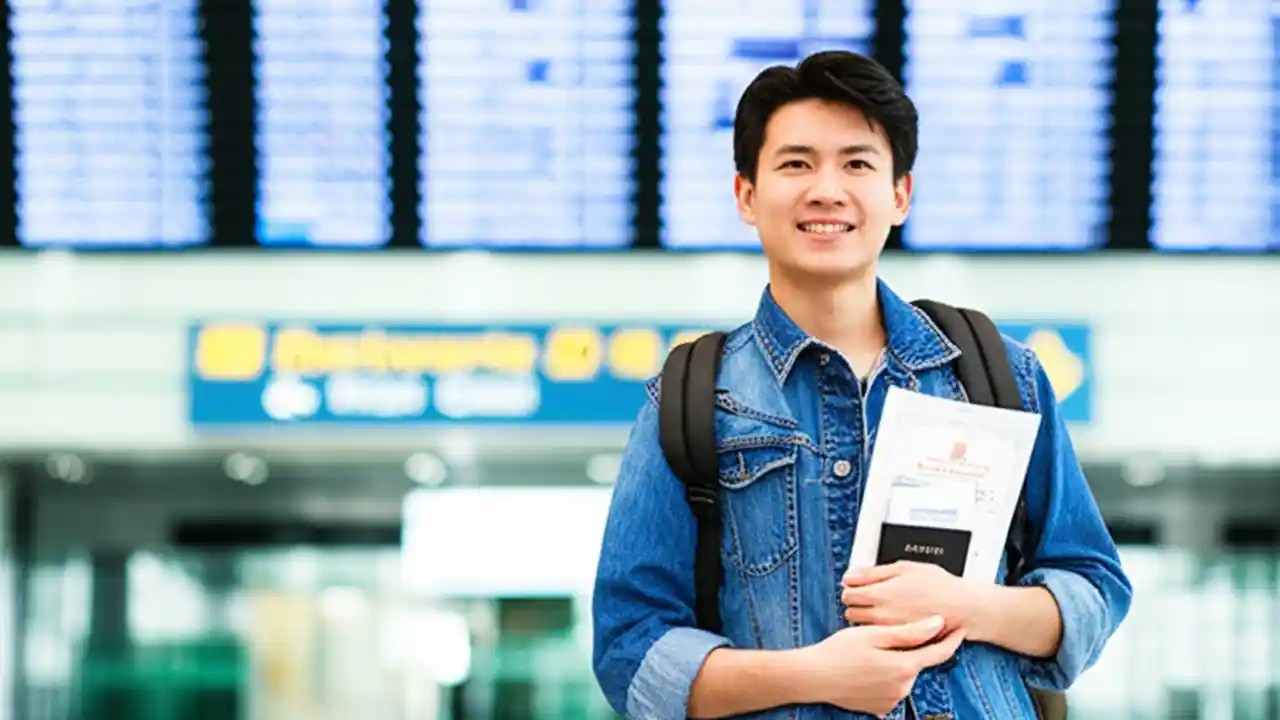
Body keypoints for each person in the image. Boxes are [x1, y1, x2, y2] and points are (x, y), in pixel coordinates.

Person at [591, 50, 1131, 719]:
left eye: (856, 163)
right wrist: (812, 674)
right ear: (747, 196)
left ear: (899, 194)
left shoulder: (997, 375)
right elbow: (629, 649)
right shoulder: (691, 400)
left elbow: (1094, 587)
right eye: (796, 163)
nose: (827, 189)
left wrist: (972, 605)